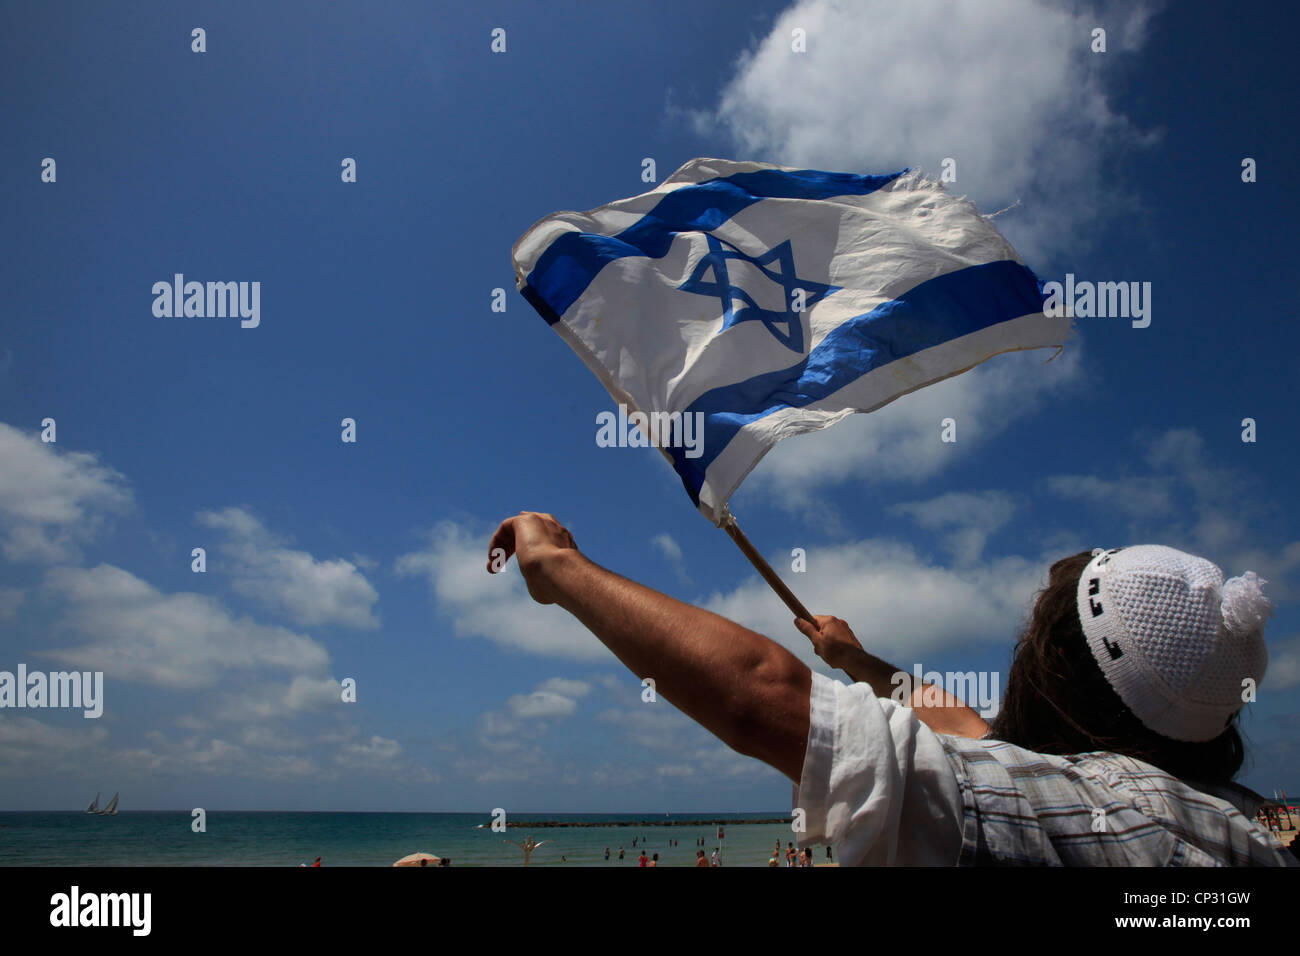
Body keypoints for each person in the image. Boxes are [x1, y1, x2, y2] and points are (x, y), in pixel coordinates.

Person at [488, 514, 1293, 867]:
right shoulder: (1212, 808)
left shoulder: (1126, 826)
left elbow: (761, 698)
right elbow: (977, 734)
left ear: (1064, 677)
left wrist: (559, 571)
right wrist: (858, 658)